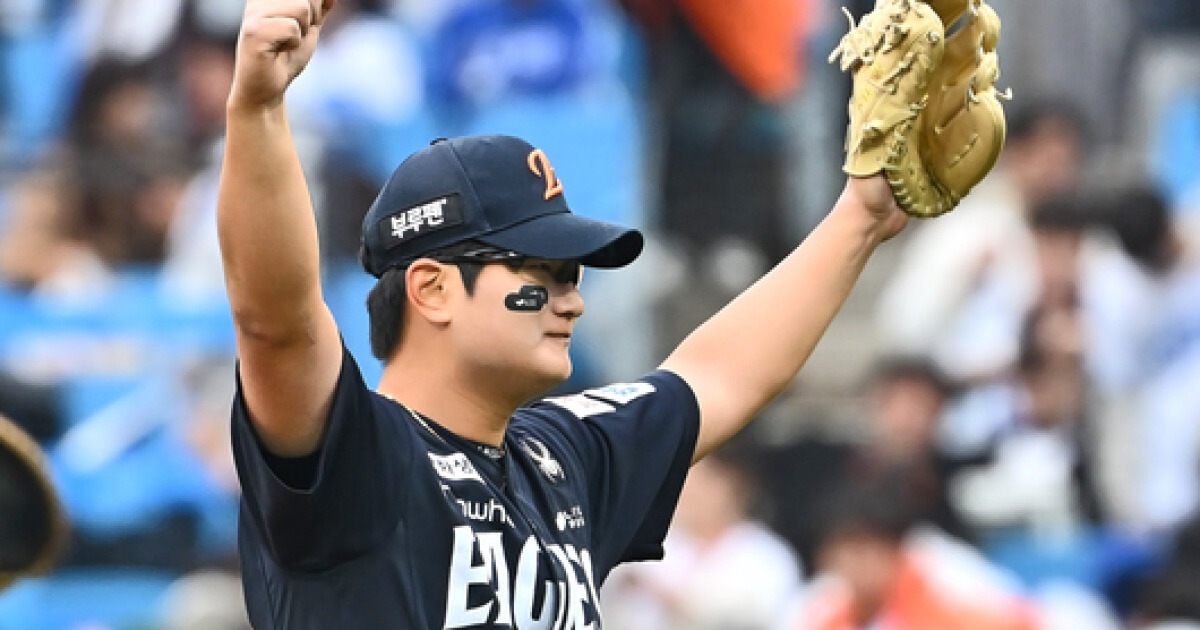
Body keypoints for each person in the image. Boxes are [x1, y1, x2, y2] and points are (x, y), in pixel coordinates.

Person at [217, 0, 906, 627]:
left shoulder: (562, 457)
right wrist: (257, 109)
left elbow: (716, 378)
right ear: (431, 290)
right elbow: (275, 324)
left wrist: (861, 217)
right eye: (540, 273)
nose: (572, 298)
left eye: (572, 275)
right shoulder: (357, 453)